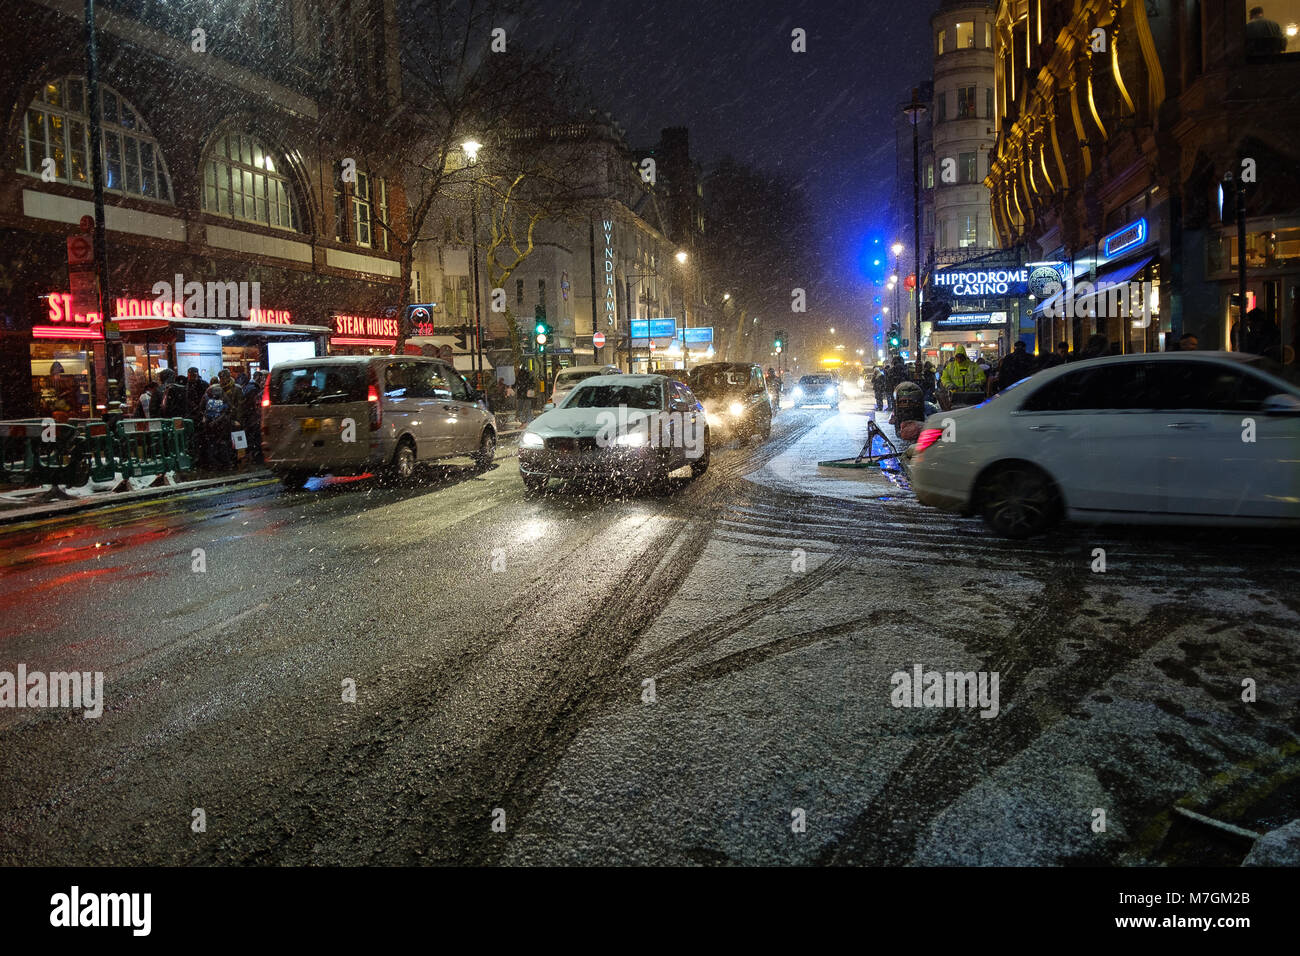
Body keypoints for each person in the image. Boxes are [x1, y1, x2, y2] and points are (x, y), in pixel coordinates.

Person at [199, 384, 234, 470]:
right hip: (222, 425)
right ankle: (226, 463)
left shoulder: (206, 397)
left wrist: (208, 420)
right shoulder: (224, 398)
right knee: (222, 443)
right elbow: (229, 409)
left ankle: (213, 464)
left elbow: (201, 409)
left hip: (210, 425)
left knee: (211, 444)